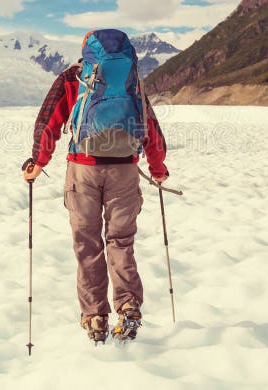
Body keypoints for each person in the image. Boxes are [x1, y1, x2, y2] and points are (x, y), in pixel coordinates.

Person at [22, 28, 169, 344]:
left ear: (87, 50)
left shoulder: (72, 79)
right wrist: (158, 168)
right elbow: (149, 125)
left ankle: (95, 316)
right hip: (125, 171)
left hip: (83, 171)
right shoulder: (130, 81)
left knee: (88, 244)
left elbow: (48, 123)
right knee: (121, 241)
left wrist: (38, 163)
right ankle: (128, 304)